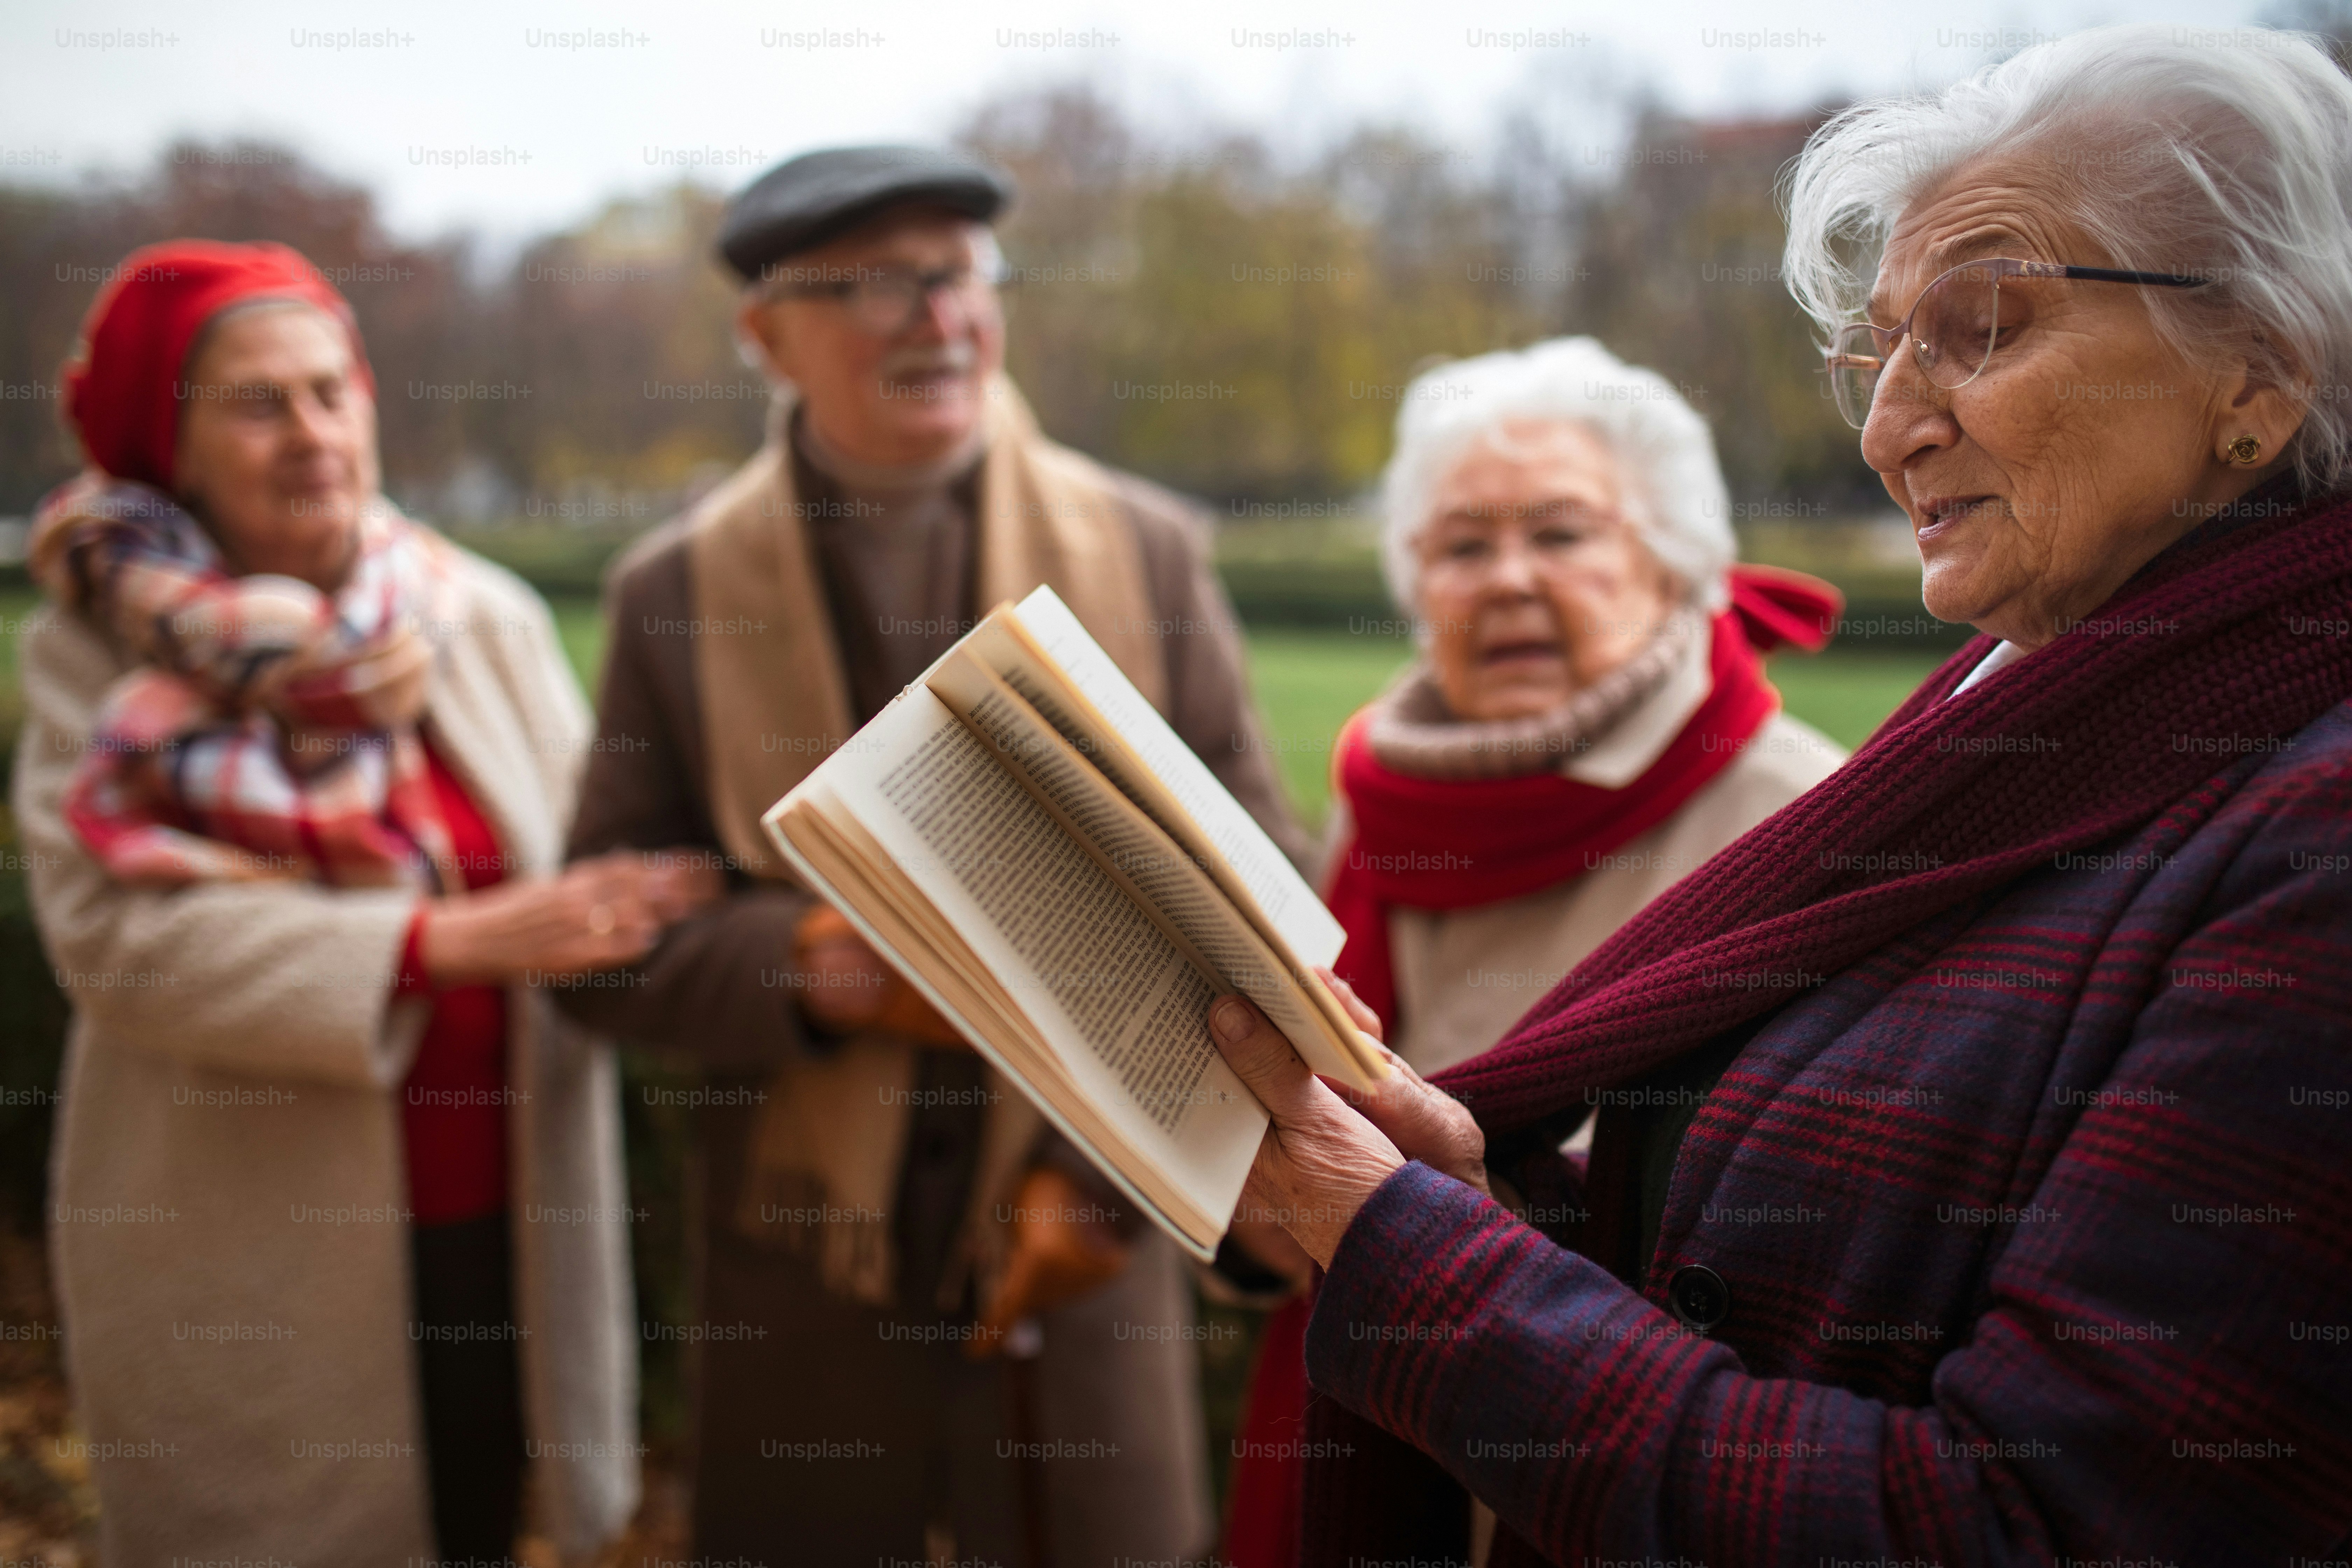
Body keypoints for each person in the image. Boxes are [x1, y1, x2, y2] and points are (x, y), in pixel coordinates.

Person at [1200, 24, 2352, 1564]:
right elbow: (1756, 1276)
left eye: (1986, 327)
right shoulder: (2024, 708)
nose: (1889, 430)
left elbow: (2018, 1522)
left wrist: (1407, 1255)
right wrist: (1469, 1206)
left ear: (2260, 378)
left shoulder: (2309, 829)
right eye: (1882, 354)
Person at [551, 145, 1312, 1564]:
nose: (937, 319)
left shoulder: (1148, 552)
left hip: (1088, 1263)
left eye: (959, 275)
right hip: (803, 1278)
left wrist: (1099, 1187)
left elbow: (1273, 897)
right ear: (762, 335)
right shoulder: (669, 590)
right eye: (875, 286)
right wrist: (809, 966)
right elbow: (603, 947)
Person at [13, 241, 717, 1564]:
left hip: (502, 1221)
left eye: (333, 391)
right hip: (249, 1246)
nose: (313, 432)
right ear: (170, 439)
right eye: (258, 402)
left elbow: (580, 862)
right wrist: (441, 942)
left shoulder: (477, 615)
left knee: (480, 1523)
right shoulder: (87, 649)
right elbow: (113, 945)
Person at [1221, 337, 1847, 1566]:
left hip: (1600, 1457)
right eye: (1461, 546)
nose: (1505, 580)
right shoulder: (1386, 794)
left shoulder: (1799, 817)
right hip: (1362, 1385)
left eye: (1560, 535)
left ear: (1674, 567)